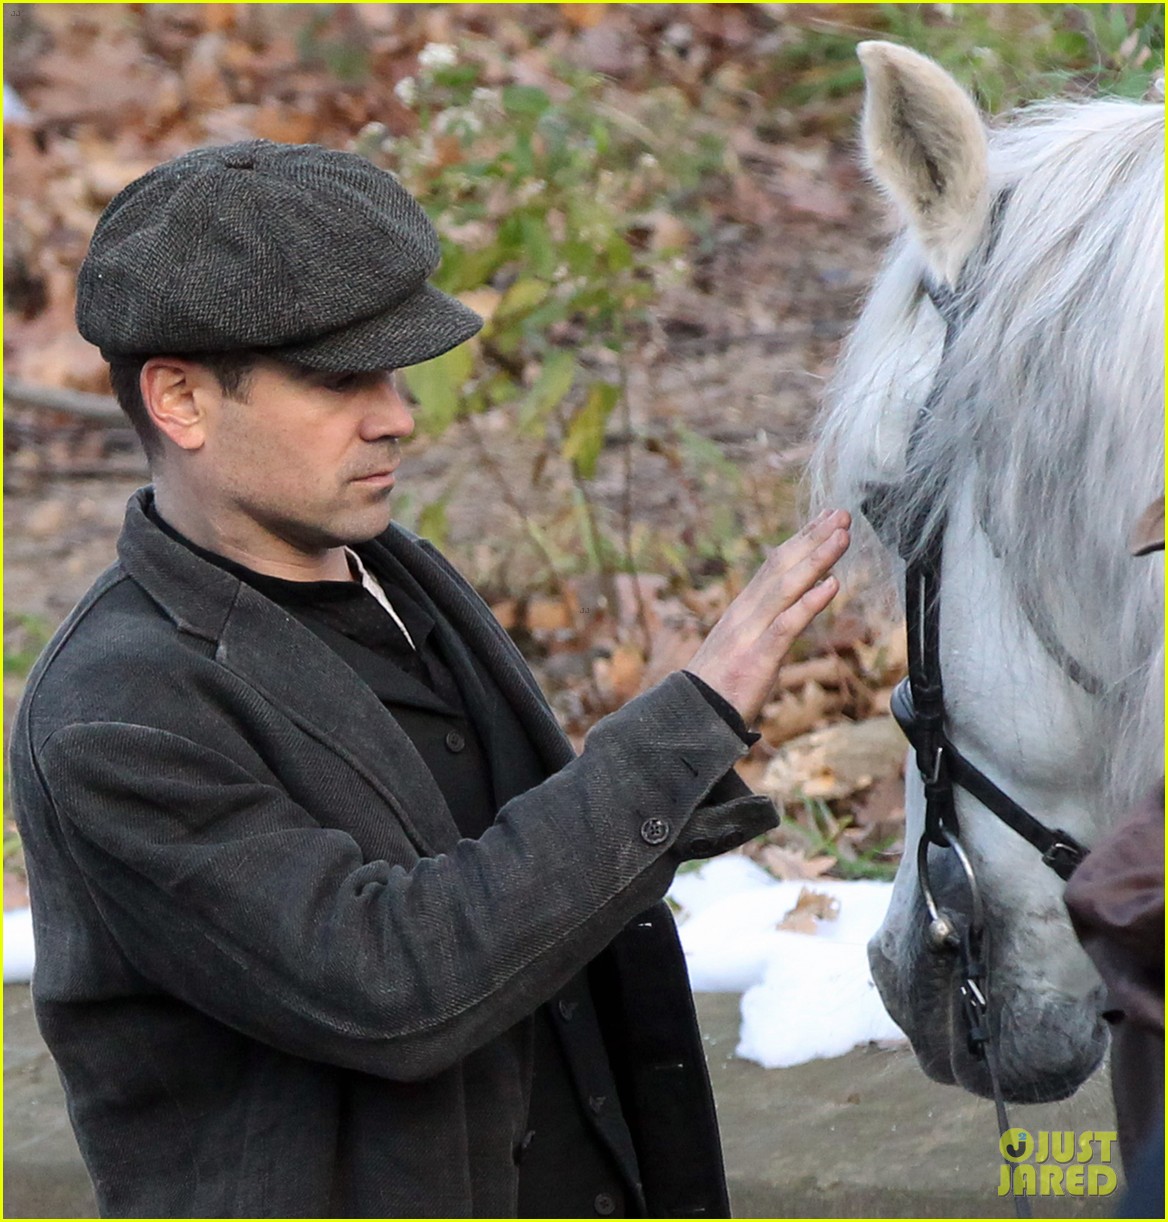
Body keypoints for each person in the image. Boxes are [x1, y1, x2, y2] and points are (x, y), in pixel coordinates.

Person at [9, 139, 850, 1220]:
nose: (398, 414)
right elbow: (388, 984)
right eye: (339, 379)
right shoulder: (115, 714)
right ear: (180, 399)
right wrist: (686, 726)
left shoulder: (398, 572)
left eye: (396, 371)